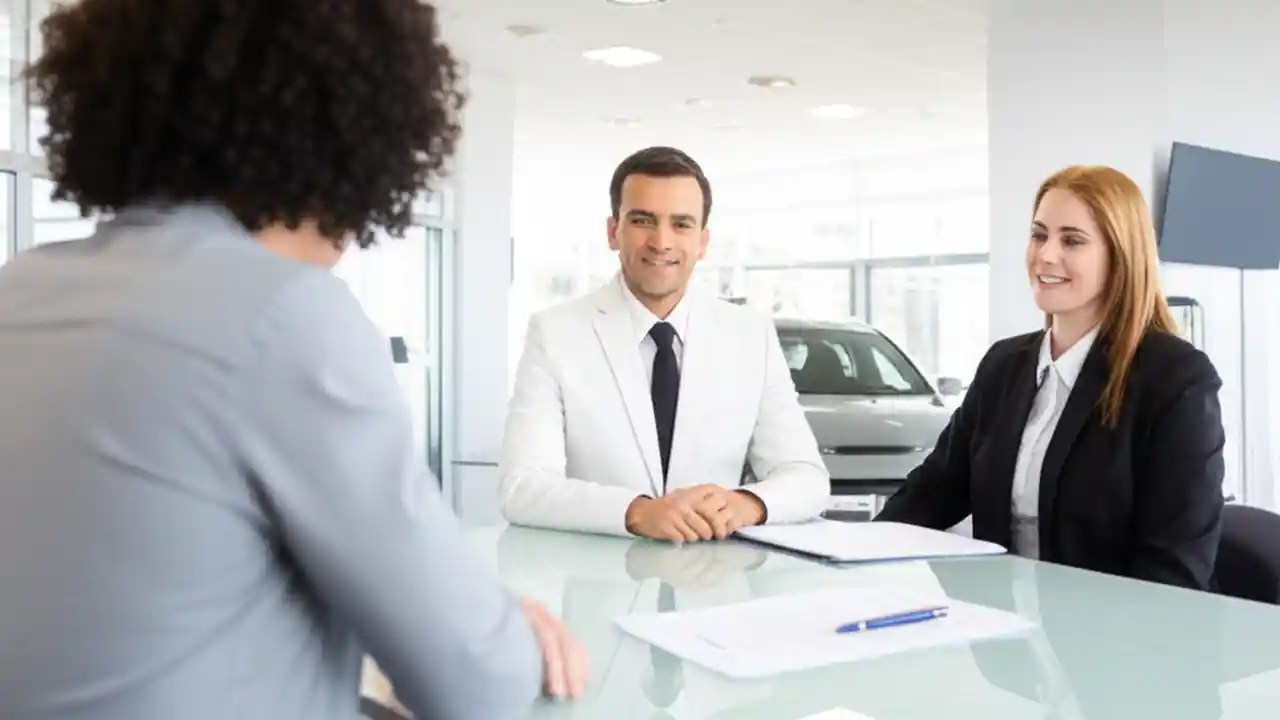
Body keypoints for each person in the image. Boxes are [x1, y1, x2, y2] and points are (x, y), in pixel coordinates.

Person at [0, 2, 585, 719]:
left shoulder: (18, 289)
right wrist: (508, 632)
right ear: (351, 134)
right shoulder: (286, 315)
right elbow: (476, 684)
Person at [877, 165, 1225, 590]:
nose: (1045, 254)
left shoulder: (1174, 377)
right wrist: (854, 550)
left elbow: (1175, 567)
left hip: (1118, 639)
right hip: (1004, 634)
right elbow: (934, 491)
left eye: (1072, 241)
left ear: (1121, 257)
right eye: (1039, 235)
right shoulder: (1004, 365)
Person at [499, 146, 829, 541]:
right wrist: (638, 512)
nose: (661, 241)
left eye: (681, 224)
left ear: (703, 241)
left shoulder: (750, 336)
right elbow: (522, 487)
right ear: (612, 231)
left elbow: (806, 477)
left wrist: (746, 504)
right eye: (642, 220)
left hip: (717, 583)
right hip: (600, 583)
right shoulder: (555, 333)